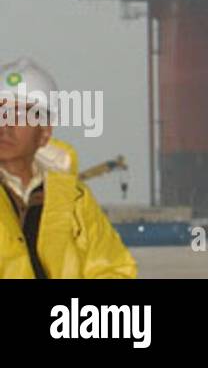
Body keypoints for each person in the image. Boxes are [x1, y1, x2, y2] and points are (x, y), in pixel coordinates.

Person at [0, 57, 137, 278]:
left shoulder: (75, 200)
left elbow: (112, 268)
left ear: (44, 133)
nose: (5, 126)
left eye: (19, 115)